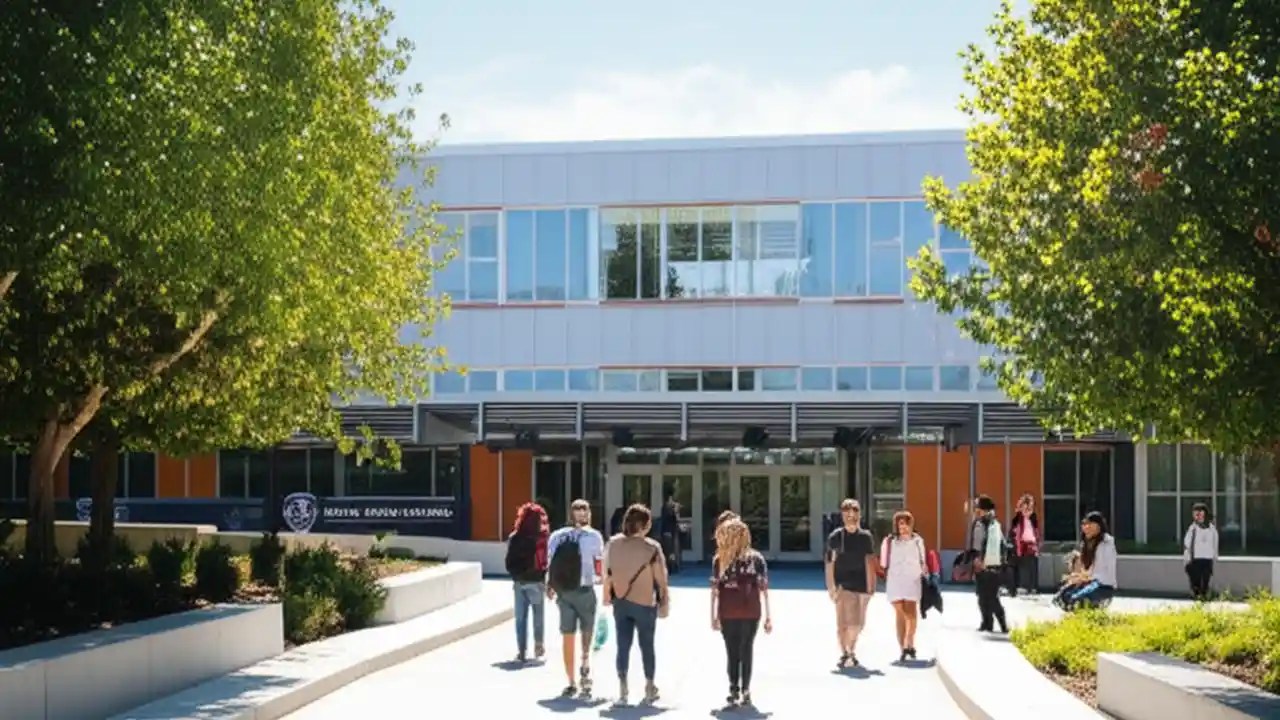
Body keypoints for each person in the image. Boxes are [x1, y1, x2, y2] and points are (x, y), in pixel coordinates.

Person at [602, 503, 669, 706]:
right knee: (646, 646)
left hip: (620, 602)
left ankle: (623, 688)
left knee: (623, 645)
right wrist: (665, 602)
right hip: (644, 603)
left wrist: (607, 596)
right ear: (645, 525)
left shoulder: (612, 544)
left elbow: (607, 574)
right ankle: (649, 686)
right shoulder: (652, 548)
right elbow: (661, 580)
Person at [546, 498, 607, 698]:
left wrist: (550, 586)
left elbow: (551, 563)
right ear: (588, 514)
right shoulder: (594, 537)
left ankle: (571, 681)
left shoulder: (557, 536)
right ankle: (585, 661)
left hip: (564, 592)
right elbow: (600, 566)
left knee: (567, 635)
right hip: (584, 589)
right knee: (587, 630)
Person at [710, 518, 771, 709]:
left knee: (732, 651)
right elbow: (764, 588)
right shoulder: (757, 558)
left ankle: (734, 688)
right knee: (746, 648)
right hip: (751, 609)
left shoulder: (720, 560)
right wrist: (769, 616)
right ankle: (745, 689)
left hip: (728, 609)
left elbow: (715, 589)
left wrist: (712, 615)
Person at [824, 498, 877, 668]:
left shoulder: (865, 537)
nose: (851, 517)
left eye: (854, 514)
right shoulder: (836, 537)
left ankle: (850, 649)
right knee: (844, 623)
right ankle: (847, 652)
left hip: (861, 583)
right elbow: (830, 563)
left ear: (859, 515)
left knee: (859, 623)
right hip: (843, 584)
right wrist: (831, 586)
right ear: (843, 516)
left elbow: (870, 561)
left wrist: (871, 586)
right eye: (847, 514)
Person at [504, 502, 549, 663]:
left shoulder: (514, 537)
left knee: (520, 618)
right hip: (537, 581)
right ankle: (539, 647)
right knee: (538, 616)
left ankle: (521, 650)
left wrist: (516, 575)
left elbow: (508, 562)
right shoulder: (543, 537)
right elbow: (546, 561)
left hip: (520, 582)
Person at [880, 510, 928, 661]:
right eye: (900, 524)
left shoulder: (918, 540)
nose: (903, 527)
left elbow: (923, 561)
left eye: (906, 523)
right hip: (895, 581)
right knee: (900, 614)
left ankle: (909, 642)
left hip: (912, 580)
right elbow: (883, 562)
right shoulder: (889, 541)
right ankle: (903, 648)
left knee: (911, 615)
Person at [1055, 511, 1118, 611]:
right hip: (1091, 582)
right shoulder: (1087, 545)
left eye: (1090, 526)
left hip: (1103, 585)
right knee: (1063, 596)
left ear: (1099, 527)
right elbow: (1086, 570)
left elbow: (1100, 571)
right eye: (1084, 525)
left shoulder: (1106, 544)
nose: (1086, 529)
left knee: (1076, 599)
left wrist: (1083, 578)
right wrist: (1076, 577)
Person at [969, 495, 1008, 633]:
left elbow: (999, 545)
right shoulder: (977, 523)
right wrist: (973, 559)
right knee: (981, 596)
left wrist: (992, 562)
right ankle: (986, 622)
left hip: (992, 566)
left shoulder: (993, 525)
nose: (975, 510)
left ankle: (1003, 623)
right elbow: (974, 543)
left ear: (985, 509)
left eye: (978, 507)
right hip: (979, 565)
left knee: (992, 597)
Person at [1007, 494, 1042, 595]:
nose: (1028, 511)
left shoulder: (1033, 519)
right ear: (1021, 508)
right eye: (1026, 508)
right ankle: (1023, 586)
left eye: (1030, 509)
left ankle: (1033, 587)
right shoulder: (1017, 519)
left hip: (1032, 546)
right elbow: (1013, 533)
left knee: (1032, 567)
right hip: (1021, 546)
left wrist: (1036, 543)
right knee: (1023, 567)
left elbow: (1036, 533)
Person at [1183, 502, 1219, 600]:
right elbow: (1187, 544)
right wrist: (1187, 559)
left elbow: (1215, 542)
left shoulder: (1212, 529)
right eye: (1195, 514)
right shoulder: (1193, 528)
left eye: (1200, 514)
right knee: (1196, 582)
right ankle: (1197, 597)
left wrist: (1215, 555)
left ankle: (1204, 597)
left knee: (1205, 581)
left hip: (1207, 559)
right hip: (1195, 559)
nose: (1198, 516)